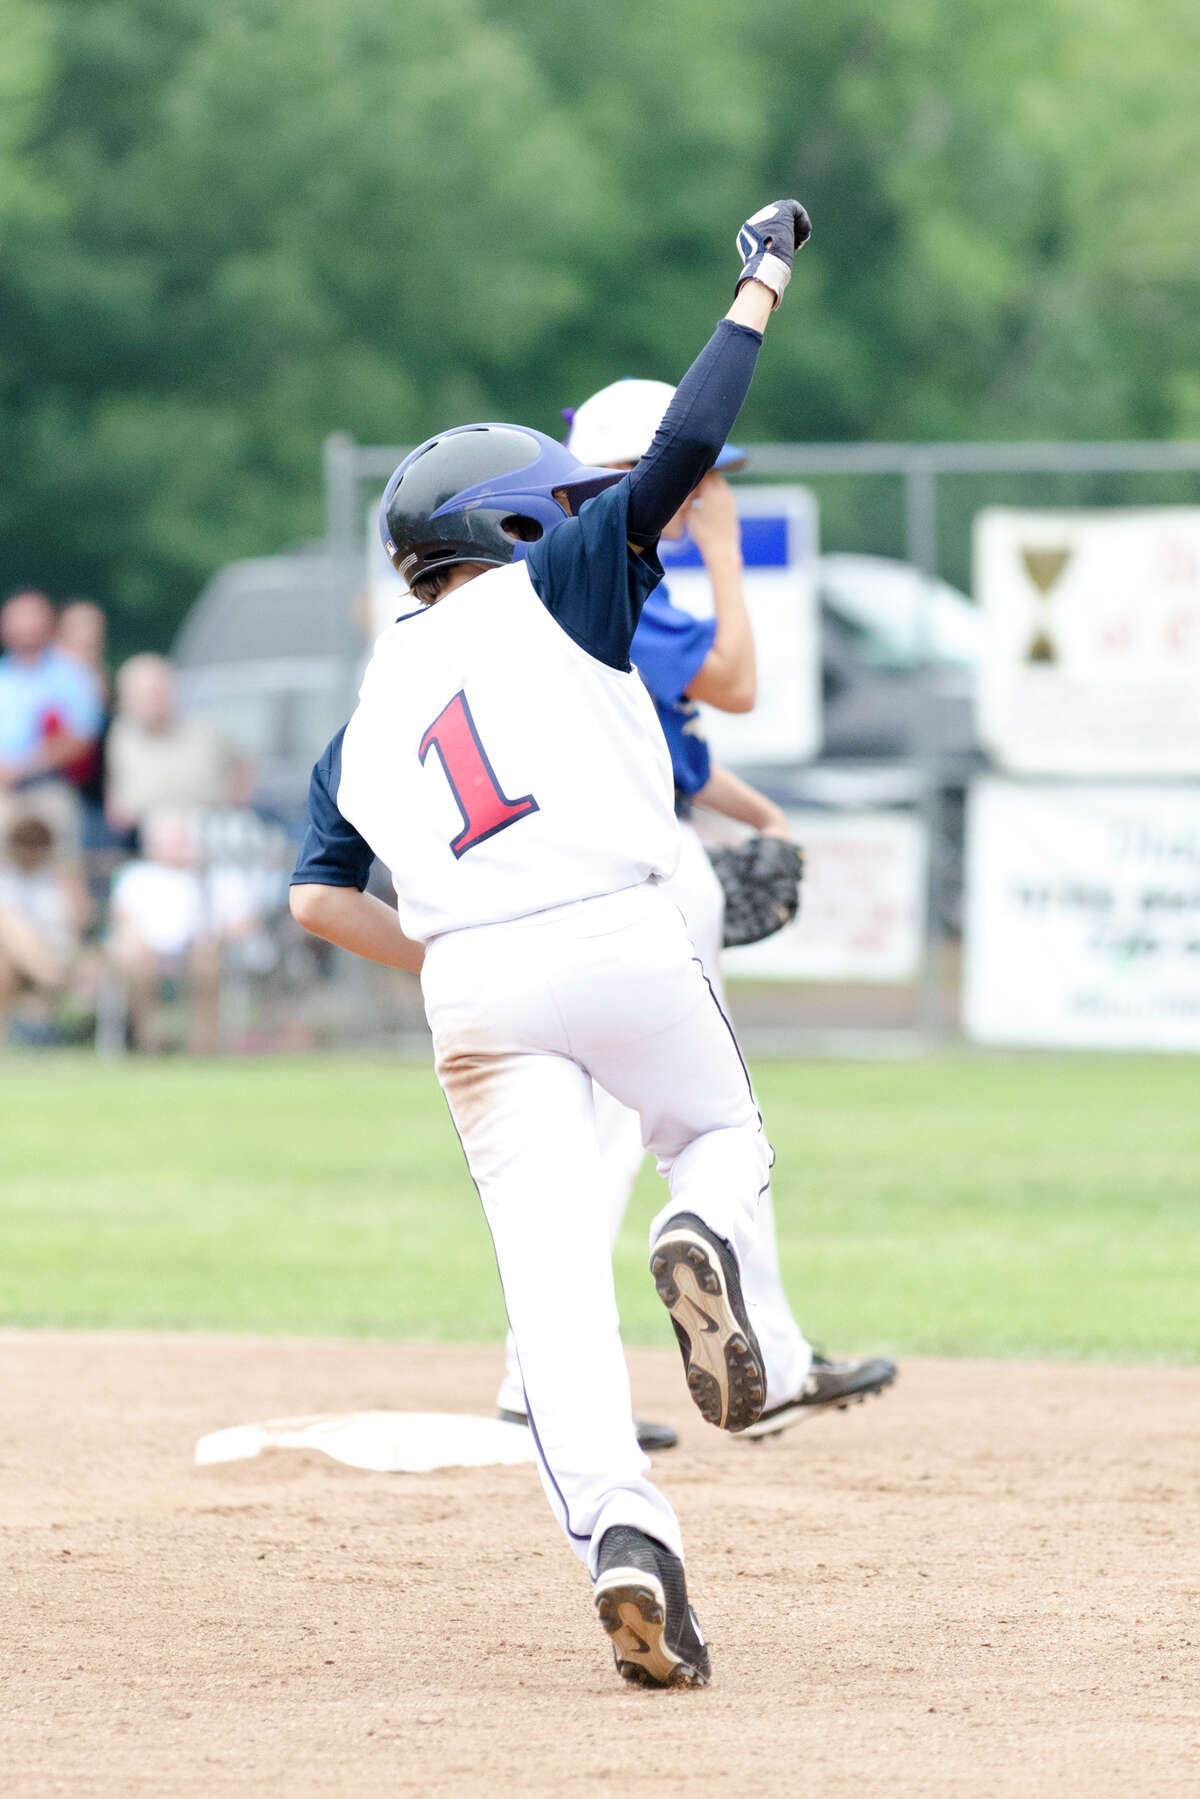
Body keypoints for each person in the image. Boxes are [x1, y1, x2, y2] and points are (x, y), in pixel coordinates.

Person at [290, 199, 819, 1689]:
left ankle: (627, 1544)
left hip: (468, 983)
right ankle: (699, 1227)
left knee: (548, 1294)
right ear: (513, 525)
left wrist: (439, 961)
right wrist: (761, 277)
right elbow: (687, 442)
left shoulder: (367, 705)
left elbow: (316, 900)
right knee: (713, 1133)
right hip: (616, 925)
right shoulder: (564, 586)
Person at [486, 387, 897, 1445]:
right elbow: (741, 681)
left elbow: (674, 748)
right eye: (702, 471)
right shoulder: (621, 574)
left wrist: (761, 813)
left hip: (573, 877)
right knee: (696, 1130)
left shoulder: (562, 585)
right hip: (636, 880)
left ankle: (590, 1367)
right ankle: (582, 1369)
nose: (710, 489)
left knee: (631, 1130)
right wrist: (725, 548)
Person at [0, 589, 104, 850]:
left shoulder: (71, 676)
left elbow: (80, 738)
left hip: (49, 787)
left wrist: (22, 767)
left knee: (63, 867)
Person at [105, 654, 244, 837]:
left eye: (157, 693)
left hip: (205, 830)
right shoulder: (122, 735)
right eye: (141, 696)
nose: (151, 703)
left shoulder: (204, 731)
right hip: (142, 836)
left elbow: (241, 768)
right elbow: (116, 794)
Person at [0, 815, 92, 1039]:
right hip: (18, 955)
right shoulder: (5, 878)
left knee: (6, 924)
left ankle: (50, 978)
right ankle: (54, 980)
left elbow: (82, 922)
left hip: (59, 949)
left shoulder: (62, 878)